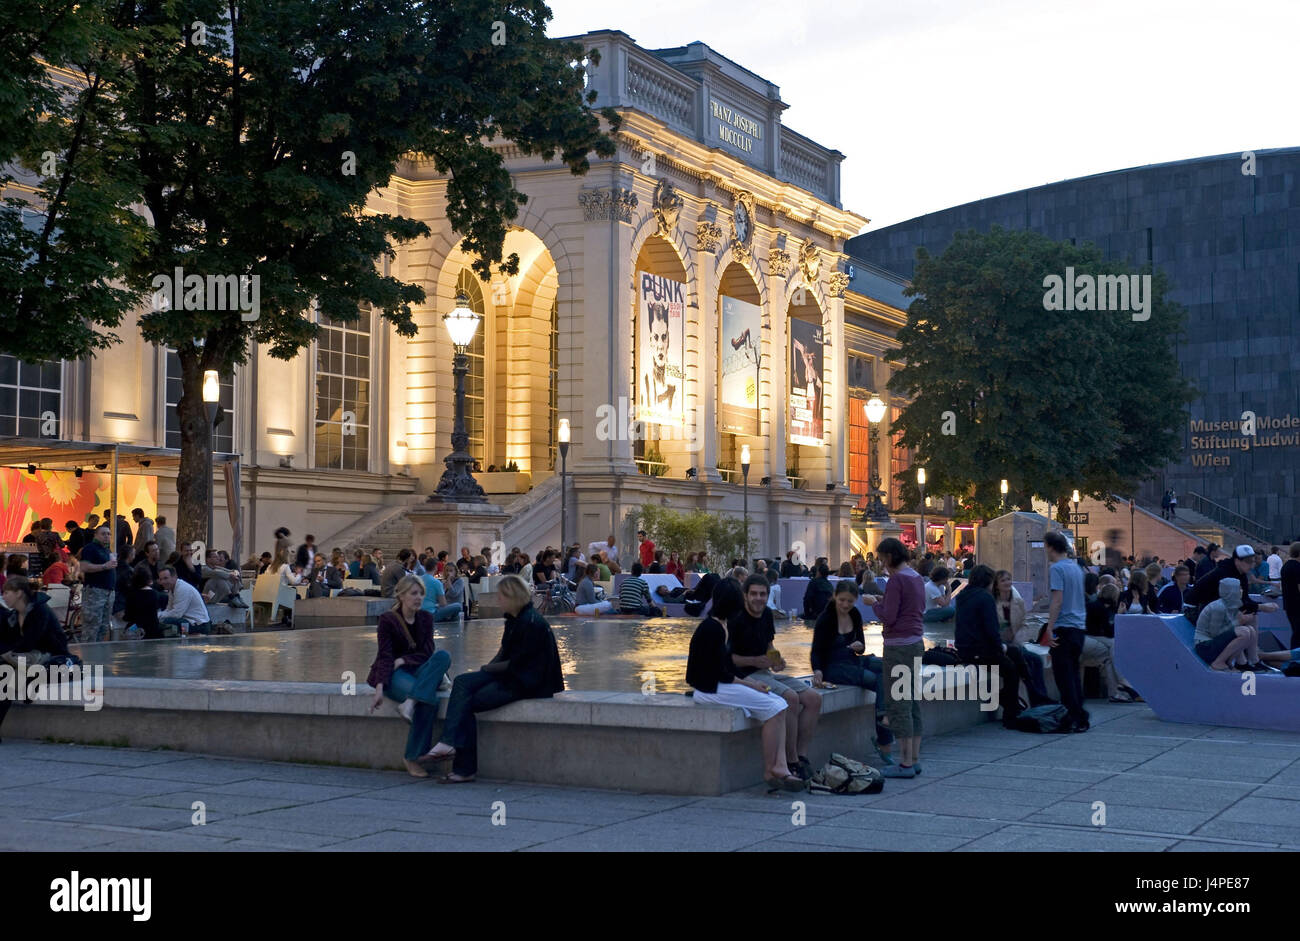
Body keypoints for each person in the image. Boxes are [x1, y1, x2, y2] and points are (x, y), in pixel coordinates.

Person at [422, 575, 564, 782]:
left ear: (512, 597)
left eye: (501, 596)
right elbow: (504, 654)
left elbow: (518, 663)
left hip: (527, 683)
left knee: (468, 701)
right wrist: (484, 671)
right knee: (462, 681)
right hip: (513, 675)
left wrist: (486, 671)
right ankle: (449, 744)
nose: (498, 600)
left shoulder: (531, 623)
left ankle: (463, 766)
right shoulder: (517, 619)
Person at [688, 578, 802, 791]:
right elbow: (720, 671)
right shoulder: (714, 629)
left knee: (780, 704)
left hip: (717, 684)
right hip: (709, 689)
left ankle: (780, 765)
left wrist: (752, 682)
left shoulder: (719, 625)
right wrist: (750, 684)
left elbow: (726, 667)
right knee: (776, 707)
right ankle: (771, 768)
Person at [730, 573, 821, 780]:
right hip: (745, 676)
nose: (758, 598)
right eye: (754, 594)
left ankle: (801, 755)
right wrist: (754, 661)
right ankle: (791, 761)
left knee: (814, 698)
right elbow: (726, 660)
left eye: (762, 594)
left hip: (765, 672)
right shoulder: (736, 619)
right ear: (745, 595)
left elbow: (769, 646)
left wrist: (777, 660)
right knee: (790, 697)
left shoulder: (767, 615)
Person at [366, 575, 453, 777]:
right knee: (429, 700)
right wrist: (379, 687)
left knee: (443, 656)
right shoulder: (388, 620)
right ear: (402, 595)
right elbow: (385, 656)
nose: (419, 598)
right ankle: (412, 757)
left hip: (413, 670)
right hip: (392, 675)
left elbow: (427, 653)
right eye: (414, 593)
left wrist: (404, 660)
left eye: (421, 593)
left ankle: (409, 703)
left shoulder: (426, 618)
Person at [810, 580, 895, 764]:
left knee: (888, 668)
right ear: (835, 597)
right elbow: (816, 649)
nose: (845, 605)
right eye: (842, 600)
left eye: (849, 601)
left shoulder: (855, 614)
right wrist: (817, 670)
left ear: (855, 600)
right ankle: (884, 730)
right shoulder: (825, 618)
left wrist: (859, 647)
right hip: (834, 667)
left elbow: (861, 647)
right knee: (874, 678)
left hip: (852, 659)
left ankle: (884, 716)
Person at [860, 537, 925, 777]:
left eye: (881, 558)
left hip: (898, 648)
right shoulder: (916, 577)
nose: (881, 563)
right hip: (916, 643)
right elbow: (908, 609)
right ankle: (915, 759)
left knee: (898, 704)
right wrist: (882, 600)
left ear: (888, 557)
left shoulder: (896, 580)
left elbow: (889, 617)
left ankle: (905, 764)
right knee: (912, 703)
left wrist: (872, 604)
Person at [1, 575, 75, 738]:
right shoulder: (15, 615)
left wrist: (8, 655)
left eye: (6, 592)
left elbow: (29, 642)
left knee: (8, 679)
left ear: (19, 593)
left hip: (52, 659)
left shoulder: (39, 611)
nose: (3, 596)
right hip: (29, 659)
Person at [953, 565, 1023, 727]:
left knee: (1015, 656)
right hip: (981, 651)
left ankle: (1012, 706)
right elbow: (991, 630)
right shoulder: (985, 598)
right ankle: (1010, 712)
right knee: (1011, 669)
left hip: (964, 648)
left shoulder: (963, 595)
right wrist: (1001, 647)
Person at [1042, 530, 1089, 732]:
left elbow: (1057, 600)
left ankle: (1073, 716)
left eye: (1045, 547)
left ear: (1051, 547)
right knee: (1073, 675)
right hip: (1079, 627)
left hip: (1064, 626)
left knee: (1063, 676)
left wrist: (1049, 627)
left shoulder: (1057, 569)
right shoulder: (1076, 568)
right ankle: (1080, 715)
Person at [992, 569, 1054, 706]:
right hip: (1003, 645)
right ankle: (1037, 699)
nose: (1007, 582)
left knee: (1036, 660)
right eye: (1003, 580)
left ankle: (1040, 698)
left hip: (1015, 643)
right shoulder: (993, 603)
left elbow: (1022, 624)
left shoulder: (1016, 600)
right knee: (1030, 662)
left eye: (1009, 579)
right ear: (996, 585)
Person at [1187, 545, 1279, 624]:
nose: (1251, 566)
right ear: (1237, 560)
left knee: (1251, 616)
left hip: (1210, 606)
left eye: (1252, 561)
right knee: (1244, 628)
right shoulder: (1225, 574)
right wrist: (1261, 607)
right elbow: (1236, 603)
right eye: (1248, 562)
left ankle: (1252, 645)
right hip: (1195, 609)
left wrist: (1260, 606)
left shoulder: (1241, 573)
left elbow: (1244, 599)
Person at [1086, 581, 1142, 703]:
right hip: (1091, 635)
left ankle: (1115, 692)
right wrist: (1118, 615)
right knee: (1114, 644)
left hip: (1093, 635)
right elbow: (1108, 631)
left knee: (1110, 658)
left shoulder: (1099, 606)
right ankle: (1123, 682)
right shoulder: (1099, 608)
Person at [1194, 580, 1267, 671]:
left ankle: (1245, 662)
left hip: (1214, 644)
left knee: (1250, 629)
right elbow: (1215, 633)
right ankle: (1218, 662)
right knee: (1243, 631)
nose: (1241, 590)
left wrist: (1239, 622)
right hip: (1205, 646)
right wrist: (1238, 622)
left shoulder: (1232, 605)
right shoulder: (1218, 607)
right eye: (1239, 588)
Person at [77, 524, 118, 644]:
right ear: (96, 535)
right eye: (103, 534)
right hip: (95, 592)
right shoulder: (90, 548)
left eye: (109, 534)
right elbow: (84, 566)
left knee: (103, 626)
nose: (107, 536)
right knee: (92, 626)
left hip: (108, 592)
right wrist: (104, 566)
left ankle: (97, 655)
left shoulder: (106, 550)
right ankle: (88, 658)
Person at [156, 566, 212, 636]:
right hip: (189, 621)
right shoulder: (172, 589)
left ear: (175, 577)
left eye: (166, 578)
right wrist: (157, 616)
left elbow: (176, 614)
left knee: (167, 621)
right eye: (161, 579)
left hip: (200, 625)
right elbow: (169, 609)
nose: (163, 582)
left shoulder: (182, 588)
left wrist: (157, 615)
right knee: (162, 621)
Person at [123, 566, 162, 639]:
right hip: (153, 631)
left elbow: (128, 616)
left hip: (136, 630)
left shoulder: (131, 594)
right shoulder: (154, 594)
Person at [1282, 542, 1300, 647]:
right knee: (1298, 635)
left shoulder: (1286, 566)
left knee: (1296, 633)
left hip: (1289, 605)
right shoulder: (1297, 567)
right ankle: (1295, 659)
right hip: (1298, 605)